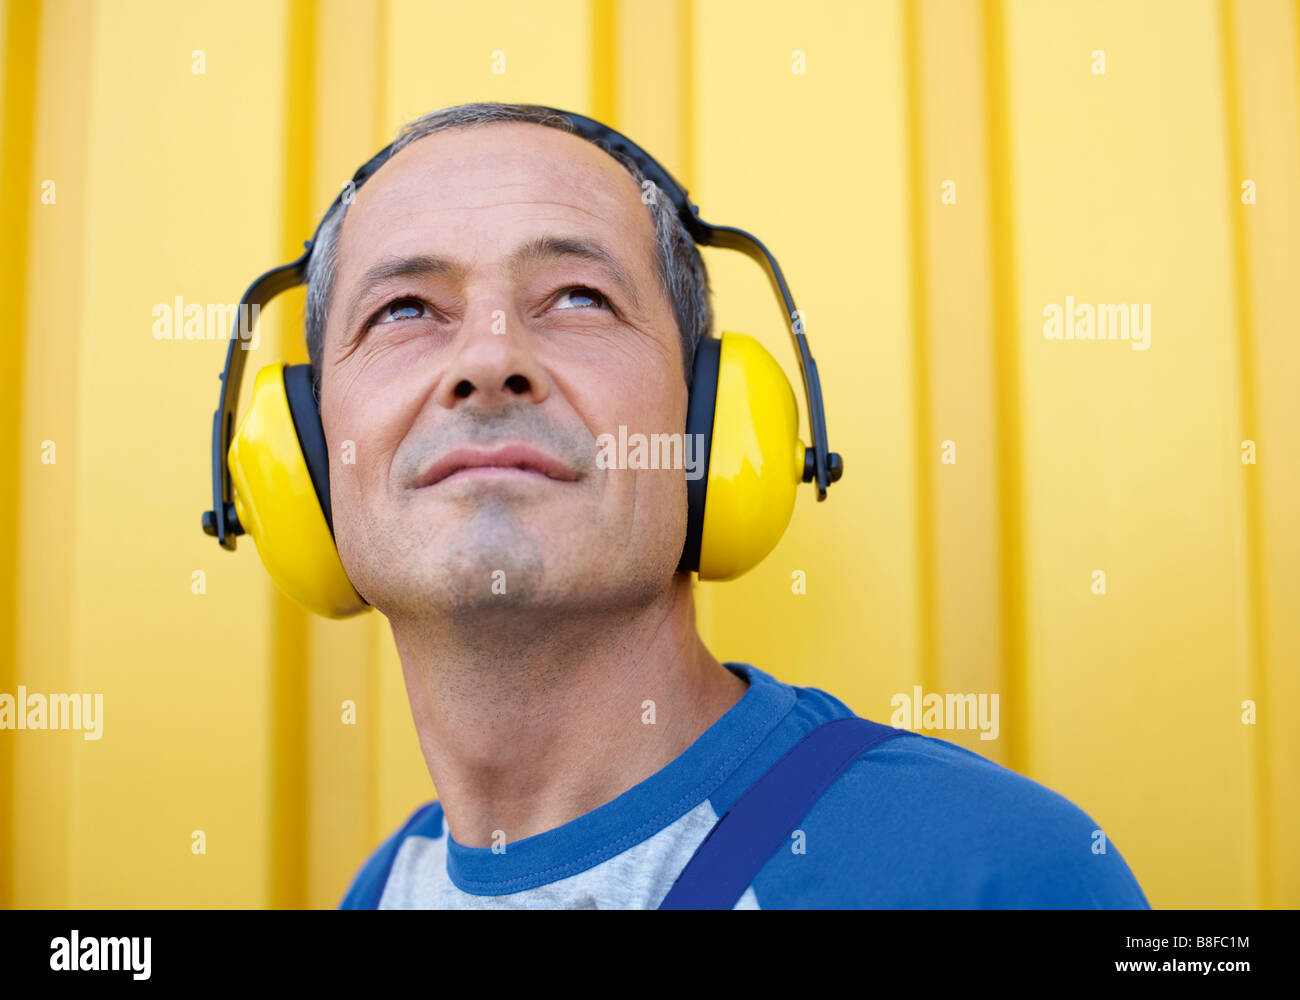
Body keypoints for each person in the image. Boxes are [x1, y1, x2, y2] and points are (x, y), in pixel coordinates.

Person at [315, 103, 1148, 909]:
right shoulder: (386, 886)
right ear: (306, 457)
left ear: (709, 422)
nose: (490, 359)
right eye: (405, 310)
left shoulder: (990, 873)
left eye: (578, 298)